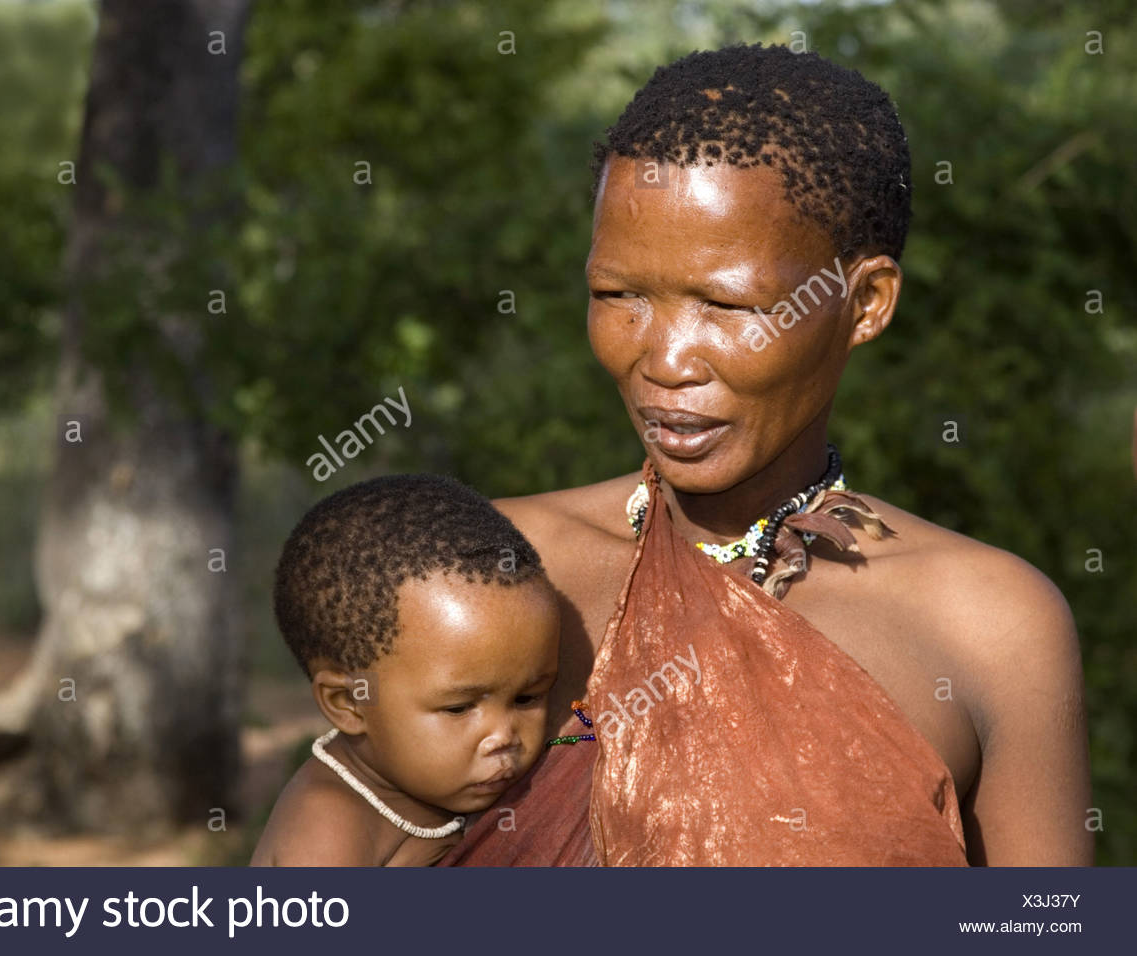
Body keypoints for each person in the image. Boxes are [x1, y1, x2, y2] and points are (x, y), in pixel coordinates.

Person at [438, 43, 1092, 866]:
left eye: (727, 303)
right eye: (619, 296)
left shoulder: (992, 626)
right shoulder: (483, 573)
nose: (666, 359)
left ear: (863, 304)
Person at [250, 474, 561, 866]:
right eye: (459, 708)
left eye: (527, 698)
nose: (504, 737)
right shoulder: (329, 830)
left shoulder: (420, 786)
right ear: (349, 703)